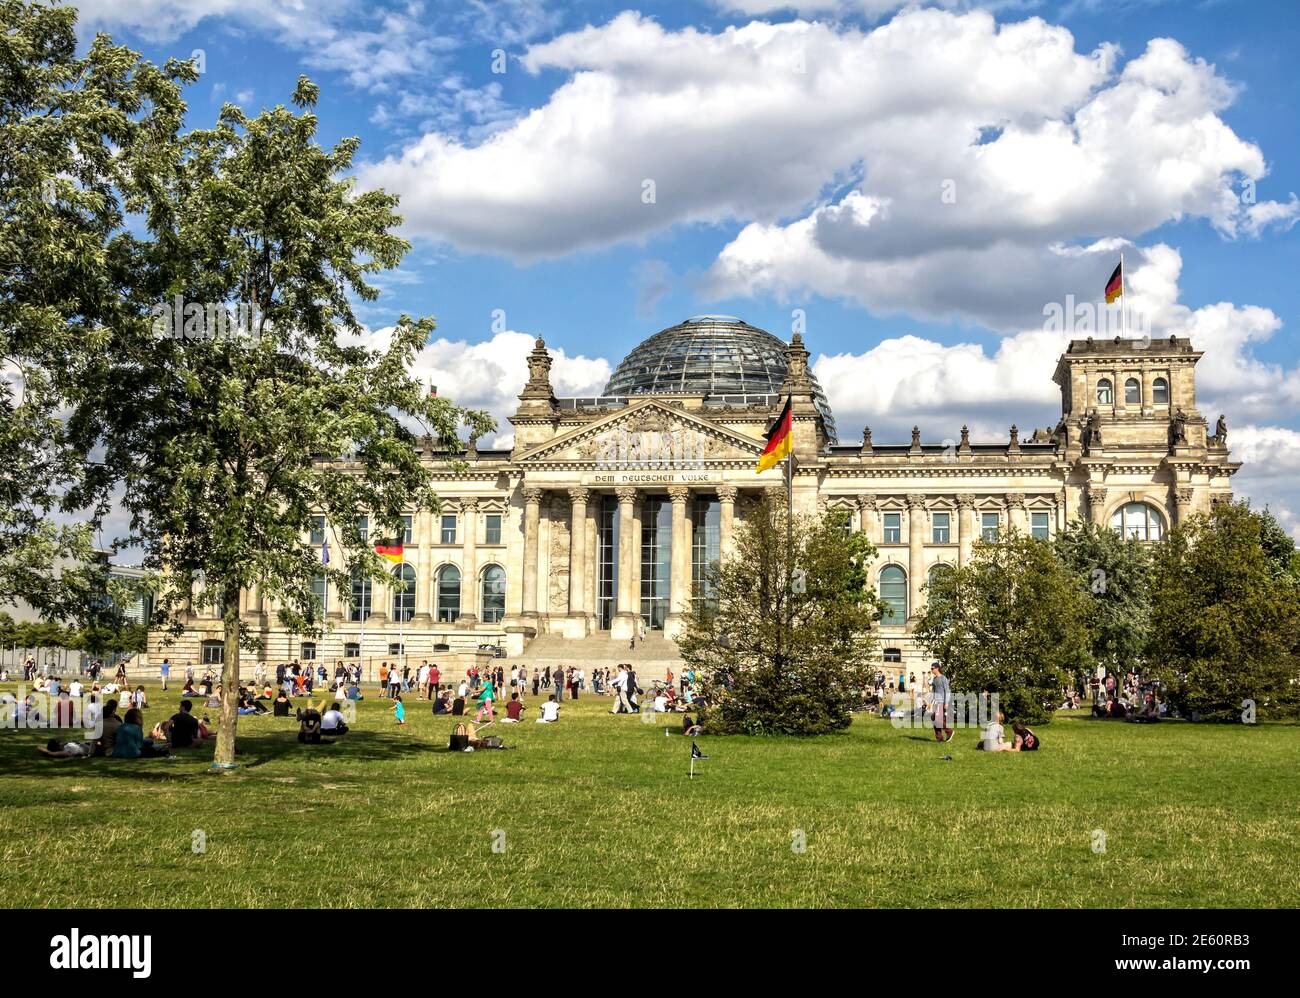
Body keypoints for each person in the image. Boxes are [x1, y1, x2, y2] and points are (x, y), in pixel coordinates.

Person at [929, 663, 953, 742]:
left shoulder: (943, 678)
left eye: (933, 668)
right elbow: (933, 692)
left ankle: (949, 731)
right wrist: (930, 703)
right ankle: (939, 738)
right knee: (933, 718)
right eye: (931, 668)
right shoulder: (934, 679)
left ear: (937, 668)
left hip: (942, 702)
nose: (931, 670)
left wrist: (946, 703)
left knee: (937, 719)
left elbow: (947, 691)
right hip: (936, 702)